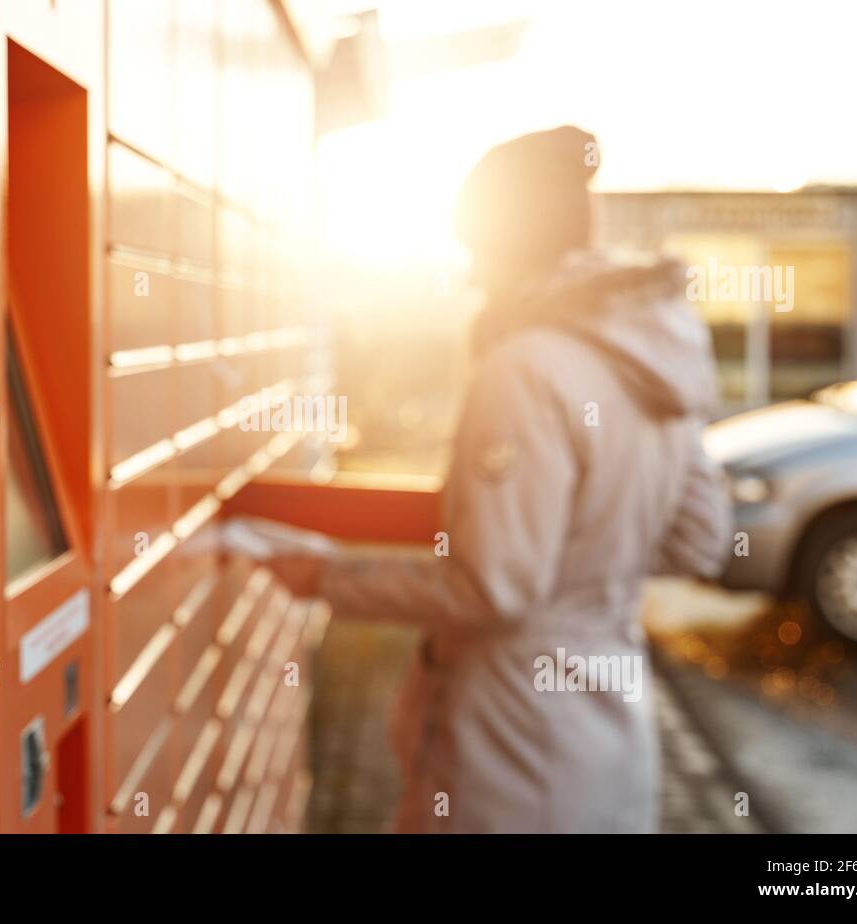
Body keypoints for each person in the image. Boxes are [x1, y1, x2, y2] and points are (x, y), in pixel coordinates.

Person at [267, 126, 732, 833]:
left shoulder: (525, 369)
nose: (472, 276)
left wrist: (324, 576)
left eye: (478, 250)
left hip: (514, 744)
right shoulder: (654, 359)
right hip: (613, 732)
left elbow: (496, 588)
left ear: (516, 243)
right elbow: (698, 538)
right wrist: (590, 573)